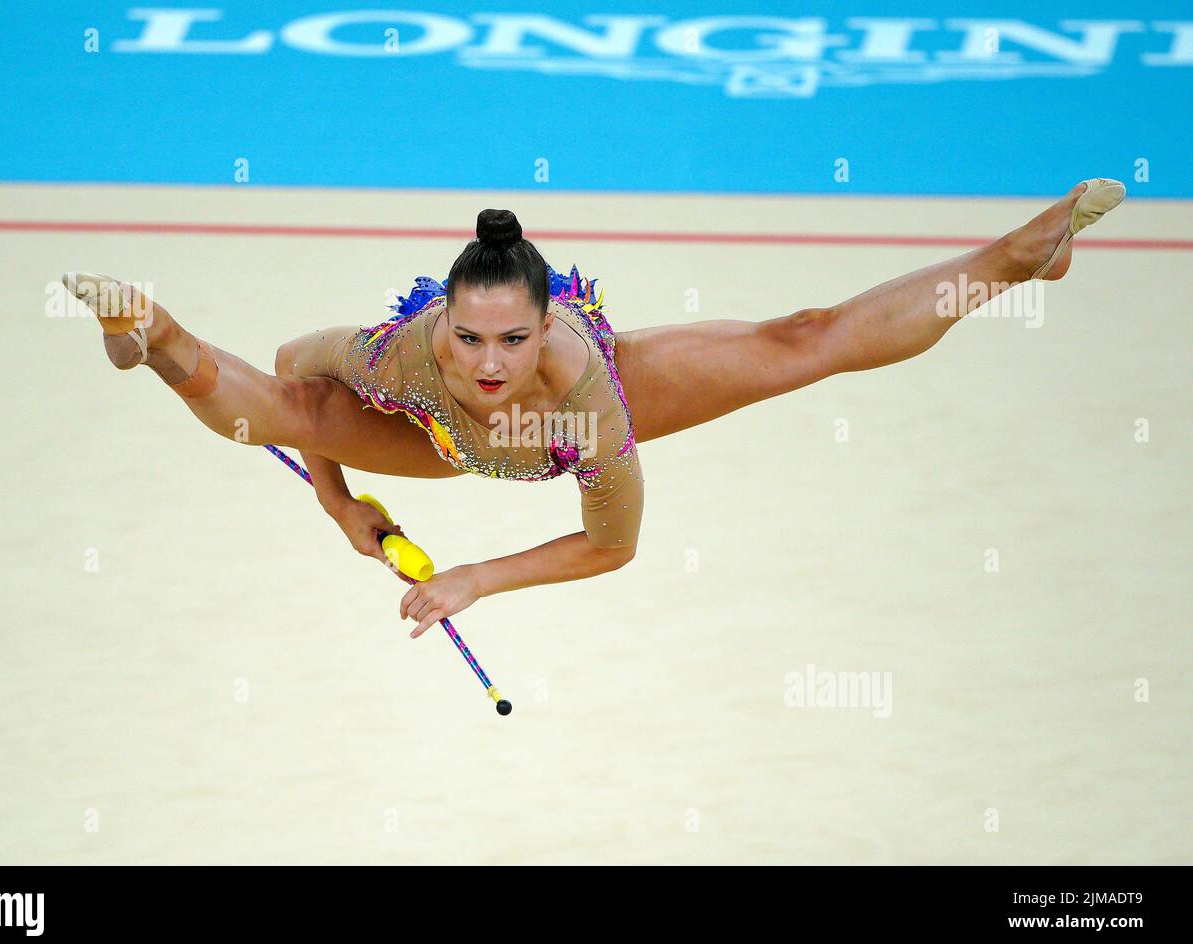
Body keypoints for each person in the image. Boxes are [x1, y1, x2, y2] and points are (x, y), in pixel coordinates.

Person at [62, 180, 1124, 637]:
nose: (487, 360)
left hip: (555, 435)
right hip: (426, 442)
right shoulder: (402, 359)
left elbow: (611, 543)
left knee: (805, 340)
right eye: (467, 337)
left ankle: (1016, 258)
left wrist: (479, 575)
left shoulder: (587, 399)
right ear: (439, 328)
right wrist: (341, 506)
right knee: (272, 407)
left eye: (512, 339)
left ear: (545, 331)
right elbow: (295, 373)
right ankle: (158, 338)